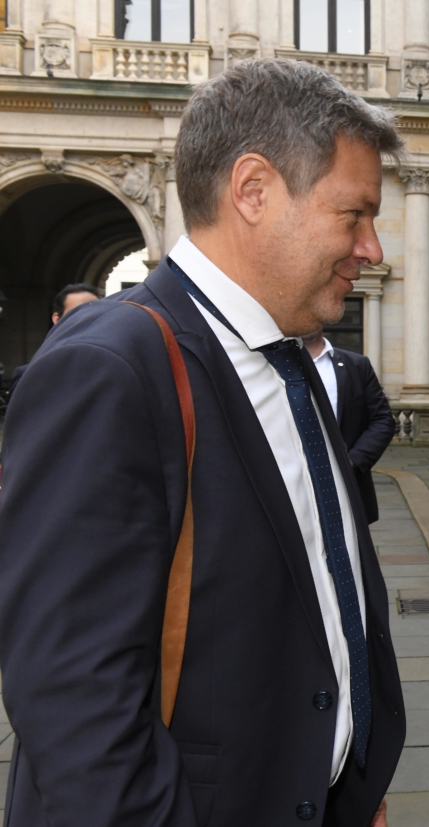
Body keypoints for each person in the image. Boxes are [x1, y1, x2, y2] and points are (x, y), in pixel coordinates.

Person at [0, 59, 406, 826]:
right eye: (354, 214)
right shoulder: (109, 368)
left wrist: (348, 781)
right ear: (253, 190)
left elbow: (314, 594)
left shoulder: (287, 356)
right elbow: (77, 706)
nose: (372, 247)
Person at [302, 329, 395, 524]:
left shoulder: (356, 365)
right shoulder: (270, 365)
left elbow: (382, 420)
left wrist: (352, 461)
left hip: (345, 484)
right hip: (291, 484)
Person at [6, 283, 103, 400]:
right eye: (77, 313)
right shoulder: (29, 376)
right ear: (57, 319)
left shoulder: (113, 370)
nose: (88, 318)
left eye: (96, 312)